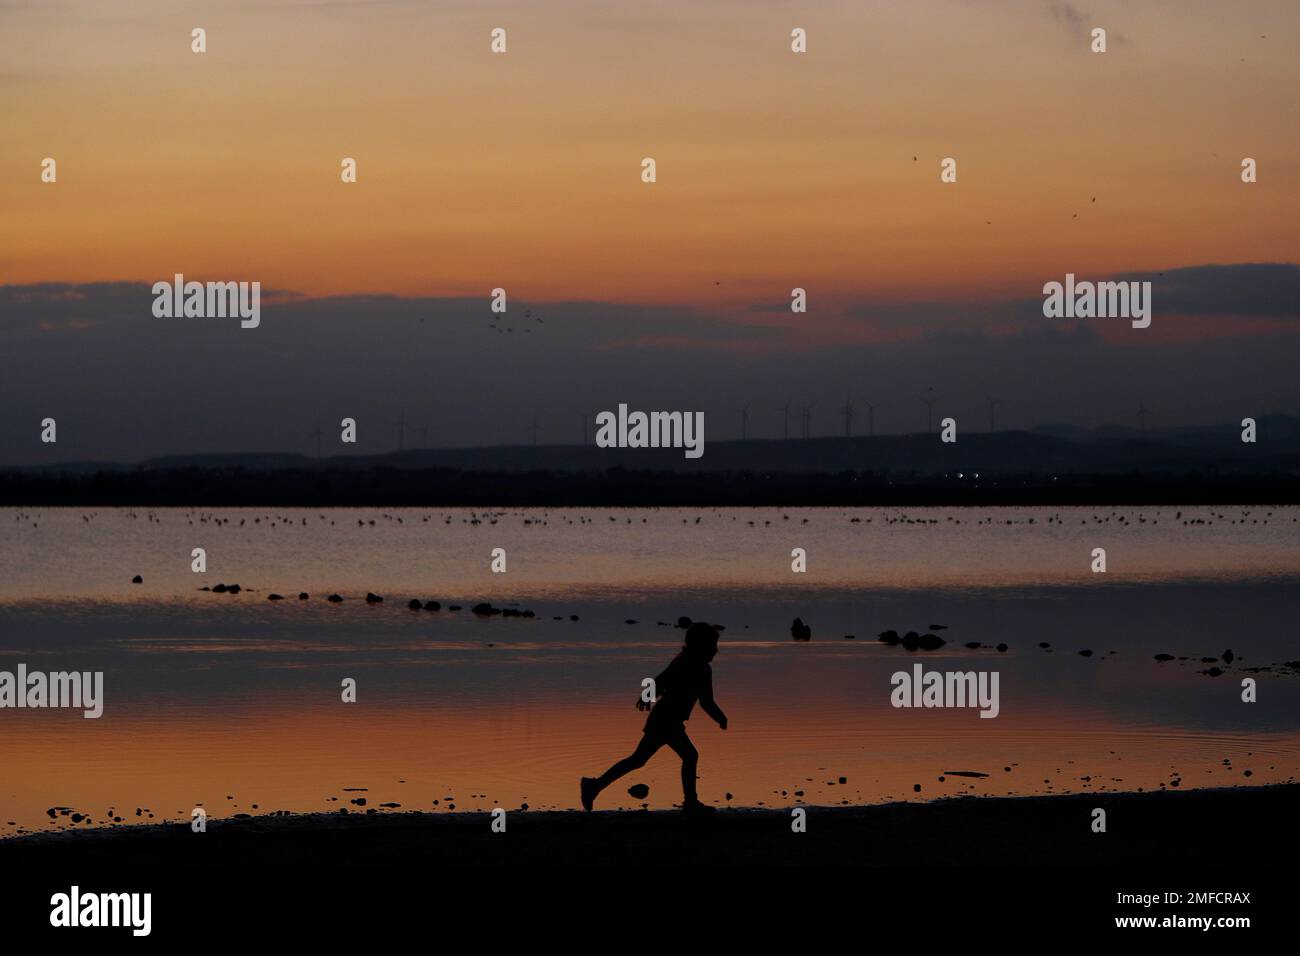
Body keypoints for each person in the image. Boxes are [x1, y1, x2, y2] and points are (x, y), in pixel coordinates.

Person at [581, 622, 728, 815]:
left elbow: (706, 700)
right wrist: (646, 696)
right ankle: (690, 803)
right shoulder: (684, 662)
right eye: (712, 646)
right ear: (699, 645)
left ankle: (594, 786)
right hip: (665, 720)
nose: (715, 650)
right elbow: (661, 680)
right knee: (688, 756)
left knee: (638, 760)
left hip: (670, 721)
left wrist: (719, 717)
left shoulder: (702, 668)